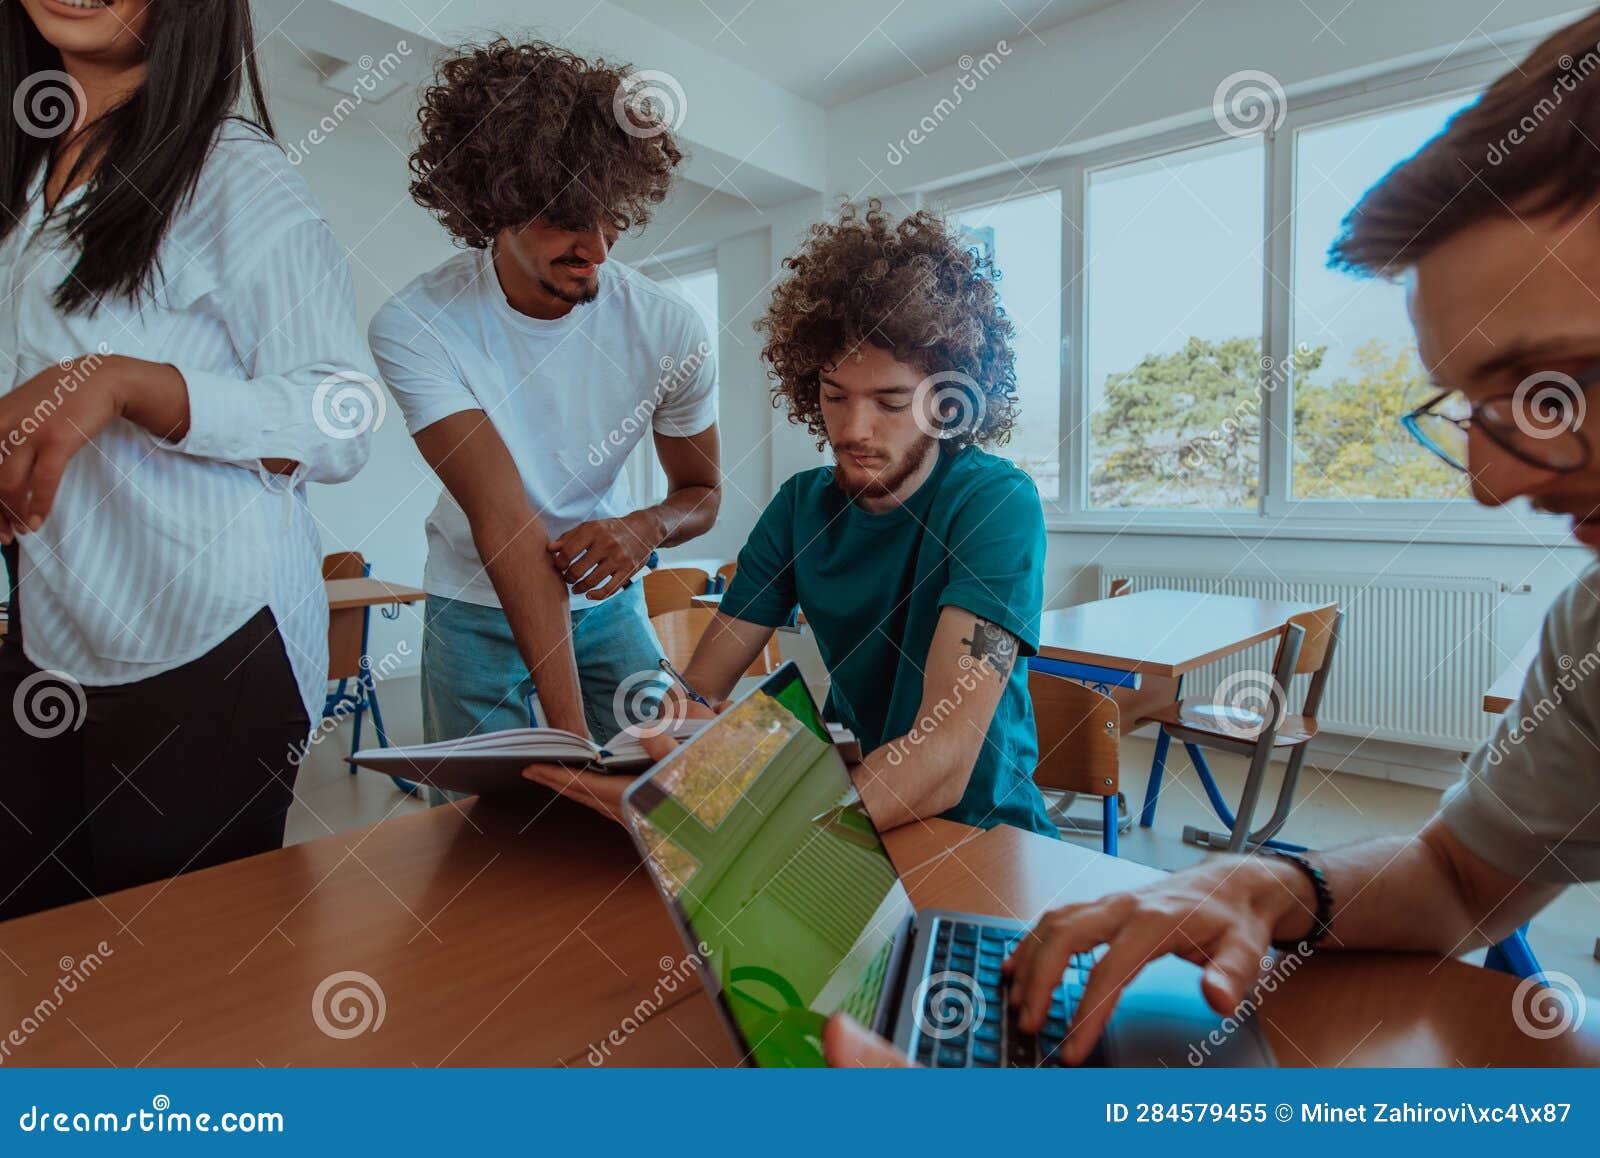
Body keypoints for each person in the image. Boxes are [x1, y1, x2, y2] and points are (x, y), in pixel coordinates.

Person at [824, 10, 1600, 1067]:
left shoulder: (990, 498)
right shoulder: (1588, 634)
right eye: (1472, 407)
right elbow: (1464, 880)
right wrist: (1275, 879)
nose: (1493, 478)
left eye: (1554, 389)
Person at [0, 0, 375, 918]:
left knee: (172, 996)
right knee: (30, 957)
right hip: (53, 636)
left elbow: (344, 416)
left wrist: (126, 382)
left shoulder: (233, 173)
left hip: (210, 648)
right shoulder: (25, 184)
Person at [530, 201, 1056, 838]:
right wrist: (678, 751)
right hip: (849, 814)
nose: (853, 430)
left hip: (982, 838)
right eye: (834, 397)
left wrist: (770, 833)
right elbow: (699, 692)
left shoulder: (997, 504)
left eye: (890, 402)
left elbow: (942, 760)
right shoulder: (799, 508)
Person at [368, 41, 721, 780]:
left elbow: (703, 494)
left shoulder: (668, 328)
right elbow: (506, 523)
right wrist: (570, 745)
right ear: (493, 204)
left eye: (612, 216)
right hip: (472, 603)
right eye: (565, 218)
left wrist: (644, 527)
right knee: (479, 837)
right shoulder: (418, 325)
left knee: (672, 792)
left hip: (609, 606)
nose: (595, 246)